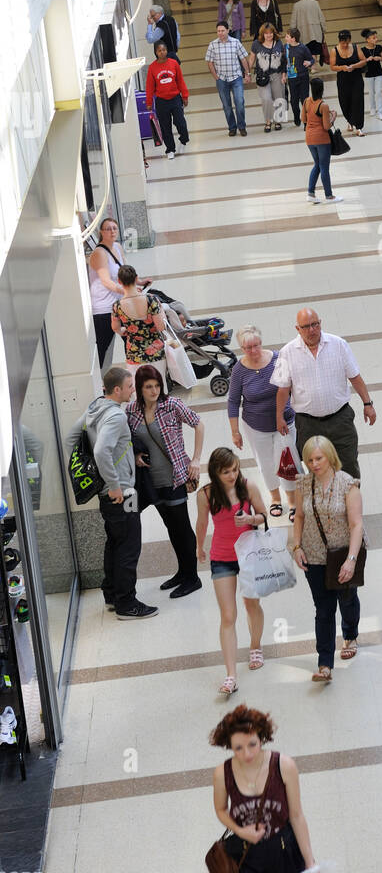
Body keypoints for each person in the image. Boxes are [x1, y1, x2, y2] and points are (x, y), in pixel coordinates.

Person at [66, 366, 156, 619]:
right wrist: (114, 483)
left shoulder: (94, 408)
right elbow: (101, 450)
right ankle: (127, 604)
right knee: (129, 546)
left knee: (115, 542)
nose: (133, 391)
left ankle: (112, 594)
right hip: (122, 494)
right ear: (117, 389)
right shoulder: (115, 416)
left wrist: (95, 473)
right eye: (129, 386)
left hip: (108, 493)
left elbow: (71, 439)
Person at [210, 704, 321, 873]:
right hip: (246, 852)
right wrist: (240, 830)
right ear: (229, 745)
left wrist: (311, 863)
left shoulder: (284, 766)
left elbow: (296, 816)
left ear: (261, 737)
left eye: (252, 744)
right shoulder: (222, 773)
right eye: (238, 748)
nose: (247, 754)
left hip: (281, 850)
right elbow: (221, 809)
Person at [196, 447, 268, 696]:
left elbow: (264, 515)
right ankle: (231, 676)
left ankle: (255, 646)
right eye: (226, 472)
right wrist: (199, 547)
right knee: (228, 616)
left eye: (235, 469)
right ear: (215, 473)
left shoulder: (248, 487)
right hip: (222, 557)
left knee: (252, 605)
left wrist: (250, 519)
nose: (232, 475)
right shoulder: (206, 494)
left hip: (248, 555)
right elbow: (202, 523)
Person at [126, 365, 203, 598]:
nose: (154, 391)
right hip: (151, 481)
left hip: (175, 476)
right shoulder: (132, 411)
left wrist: (196, 459)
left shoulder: (172, 405)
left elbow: (198, 424)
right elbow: (130, 440)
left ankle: (193, 578)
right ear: (140, 389)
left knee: (182, 527)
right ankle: (182, 572)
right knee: (171, 526)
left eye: (157, 385)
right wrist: (136, 455)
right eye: (148, 387)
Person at [273, 308, 375, 481]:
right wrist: (279, 416)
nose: (312, 330)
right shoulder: (287, 352)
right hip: (308, 424)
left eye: (315, 324)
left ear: (320, 323)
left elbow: (355, 377)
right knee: (316, 470)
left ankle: (351, 497)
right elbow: (283, 389)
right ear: (297, 329)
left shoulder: (338, 344)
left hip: (340, 420)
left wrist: (368, 404)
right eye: (306, 327)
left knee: (349, 465)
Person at [292, 436, 364, 681]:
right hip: (314, 556)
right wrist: (296, 546)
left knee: (347, 600)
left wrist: (351, 560)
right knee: (323, 609)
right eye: (309, 460)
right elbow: (299, 516)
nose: (314, 464)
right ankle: (325, 664)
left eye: (318, 458)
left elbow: (356, 525)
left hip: (343, 554)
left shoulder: (348, 485)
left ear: (330, 456)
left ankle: (350, 635)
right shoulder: (303, 484)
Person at [229, 326, 300, 521]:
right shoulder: (239, 370)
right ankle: (275, 498)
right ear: (242, 348)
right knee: (265, 463)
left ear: (261, 343)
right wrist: (235, 431)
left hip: (284, 421)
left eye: (256, 345)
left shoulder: (278, 360)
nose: (253, 351)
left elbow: (292, 386)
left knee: (287, 461)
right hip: (255, 425)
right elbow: (233, 401)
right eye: (248, 348)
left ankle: (292, 501)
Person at [88, 218, 151, 368]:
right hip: (103, 309)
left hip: (120, 305)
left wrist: (139, 282)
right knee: (103, 349)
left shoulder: (117, 247)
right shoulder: (99, 253)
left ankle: (137, 371)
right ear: (101, 232)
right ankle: (98, 379)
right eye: (108, 229)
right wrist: (127, 290)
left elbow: (125, 272)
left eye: (114, 228)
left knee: (131, 340)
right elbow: (106, 281)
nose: (112, 231)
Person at [111, 265, 169, 382]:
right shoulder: (151, 299)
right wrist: (162, 310)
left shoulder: (117, 306)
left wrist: (125, 331)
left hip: (134, 354)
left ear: (119, 281)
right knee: (158, 386)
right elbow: (161, 326)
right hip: (156, 352)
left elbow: (116, 328)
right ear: (136, 278)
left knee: (139, 388)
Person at [205, 21, 251, 138]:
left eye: (222, 31)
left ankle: (242, 126)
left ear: (228, 31)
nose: (220, 33)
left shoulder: (236, 42)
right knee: (226, 105)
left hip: (236, 78)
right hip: (222, 80)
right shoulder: (212, 45)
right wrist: (216, 77)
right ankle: (232, 127)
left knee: (239, 102)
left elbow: (243, 59)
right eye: (218, 31)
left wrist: (247, 73)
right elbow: (209, 62)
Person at [145, 41, 189, 160]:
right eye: (159, 50)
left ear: (167, 50)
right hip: (161, 101)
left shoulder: (174, 63)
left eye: (164, 50)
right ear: (156, 52)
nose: (162, 52)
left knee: (180, 122)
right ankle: (170, 149)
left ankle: (183, 140)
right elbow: (149, 87)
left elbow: (180, 81)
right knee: (165, 126)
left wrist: (185, 96)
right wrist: (149, 102)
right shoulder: (152, 67)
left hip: (175, 99)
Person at [301, 77, 341, 205]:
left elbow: (303, 119)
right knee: (324, 167)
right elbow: (326, 127)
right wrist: (333, 117)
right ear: (322, 89)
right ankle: (329, 196)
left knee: (317, 165)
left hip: (309, 138)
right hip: (322, 139)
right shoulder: (323, 105)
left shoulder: (306, 101)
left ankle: (311, 193)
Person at [250, 22, 287, 133]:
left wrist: (284, 75)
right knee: (266, 99)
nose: (269, 35)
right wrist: (247, 72)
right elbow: (251, 59)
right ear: (262, 34)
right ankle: (268, 121)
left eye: (271, 33)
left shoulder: (279, 43)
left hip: (277, 74)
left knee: (279, 97)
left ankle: (278, 121)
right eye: (266, 33)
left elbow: (284, 60)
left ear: (274, 33)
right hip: (262, 76)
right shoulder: (256, 44)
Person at [331, 29, 366, 137]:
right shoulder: (334, 51)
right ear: (339, 41)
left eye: (347, 42)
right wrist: (342, 68)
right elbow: (332, 67)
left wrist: (354, 66)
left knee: (358, 101)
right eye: (343, 43)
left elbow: (364, 61)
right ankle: (350, 121)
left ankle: (359, 127)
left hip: (356, 79)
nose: (345, 45)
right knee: (345, 102)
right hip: (343, 80)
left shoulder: (356, 47)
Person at [285, 27, 314, 127]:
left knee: (305, 100)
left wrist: (309, 62)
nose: (285, 38)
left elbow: (311, 59)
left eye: (287, 36)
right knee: (294, 100)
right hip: (292, 79)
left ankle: (306, 121)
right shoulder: (285, 48)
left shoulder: (303, 48)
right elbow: (282, 61)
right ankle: (296, 116)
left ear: (293, 39)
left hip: (303, 77)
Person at [290, 0, 327, 65]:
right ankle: (313, 67)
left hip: (303, 33)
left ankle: (309, 65)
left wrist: (292, 33)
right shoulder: (315, 3)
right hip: (315, 31)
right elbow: (321, 17)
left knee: (306, 50)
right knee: (314, 50)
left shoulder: (296, 5)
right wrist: (323, 29)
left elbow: (293, 21)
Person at [360, 27, 382, 123]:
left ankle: (380, 112)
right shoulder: (363, 50)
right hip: (368, 74)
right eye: (374, 38)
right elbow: (361, 62)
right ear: (368, 40)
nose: (376, 39)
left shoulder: (379, 47)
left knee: (378, 92)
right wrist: (367, 59)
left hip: (378, 72)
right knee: (371, 92)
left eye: (376, 37)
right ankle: (372, 108)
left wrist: (379, 58)